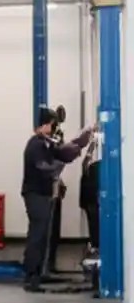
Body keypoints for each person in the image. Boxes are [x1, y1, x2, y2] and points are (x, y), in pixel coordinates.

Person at [21, 107, 93, 292]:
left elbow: (62, 153)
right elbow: (45, 167)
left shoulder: (46, 143)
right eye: (53, 125)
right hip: (35, 194)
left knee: (44, 234)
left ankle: (40, 271)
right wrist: (59, 166)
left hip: (43, 194)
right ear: (44, 124)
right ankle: (31, 276)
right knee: (38, 234)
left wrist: (81, 142)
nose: (54, 128)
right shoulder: (36, 145)